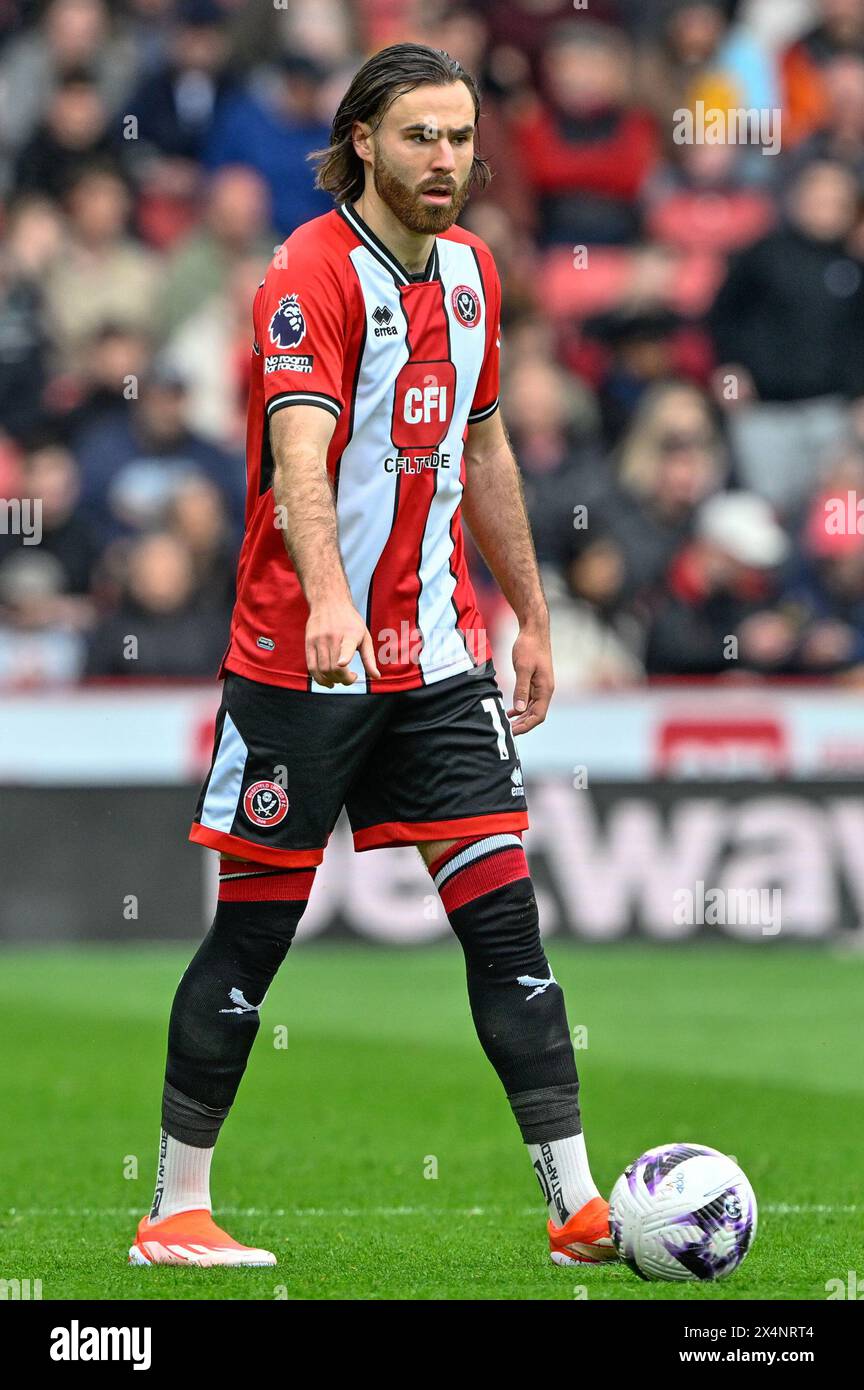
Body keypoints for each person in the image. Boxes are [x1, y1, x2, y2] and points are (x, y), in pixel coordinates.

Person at [129, 41, 616, 1272]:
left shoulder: (474, 274)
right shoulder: (309, 273)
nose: (445, 160)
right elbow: (302, 460)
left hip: (440, 663)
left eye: (459, 137)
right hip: (303, 667)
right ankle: (175, 1209)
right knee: (253, 937)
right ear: (363, 142)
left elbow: (488, 455)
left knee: (510, 932)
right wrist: (333, 604)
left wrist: (535, 616)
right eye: (419, 137)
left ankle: (577, 1205)